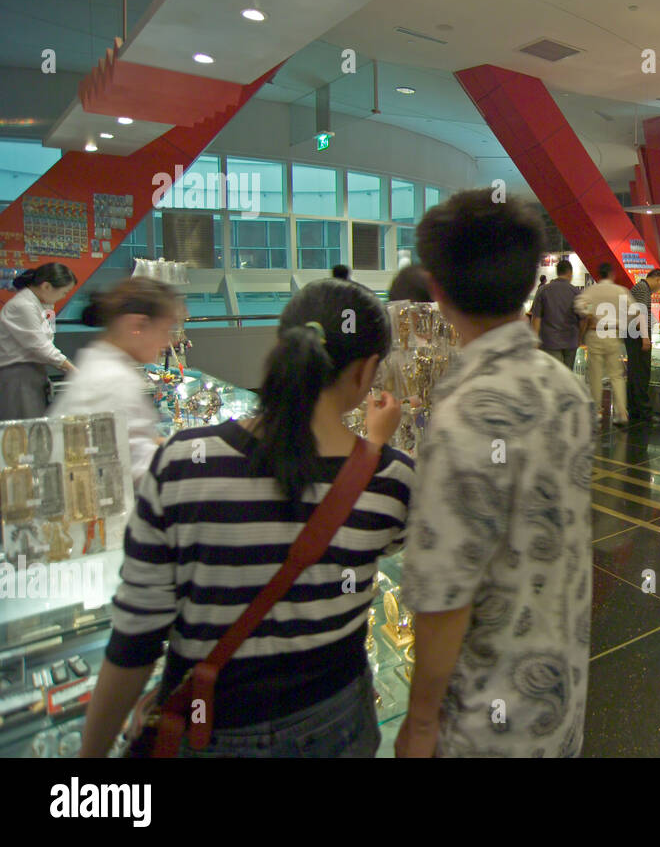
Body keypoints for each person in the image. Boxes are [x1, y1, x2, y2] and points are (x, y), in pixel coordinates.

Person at [79, 278, 412, 758]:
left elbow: (136, 636)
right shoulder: (392, 480)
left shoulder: (179, 463)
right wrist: (375, 449)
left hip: (208, 722)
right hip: (336, 722)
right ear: (367, 373)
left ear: (279, 348)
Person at [398, 188, 592, 758]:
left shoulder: (464, 414)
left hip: (483, 725)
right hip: (560, 702)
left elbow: (444, 598)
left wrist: (419, 726)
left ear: (437, 290)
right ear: (531, 281)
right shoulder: (566, 388)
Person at [50, 278, 178, 489]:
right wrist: (198, 456)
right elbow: (140, 470)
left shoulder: (101, 362)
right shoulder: (114, 380)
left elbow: (125, 443)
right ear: (137, 326)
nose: (168, 342)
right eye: (165, 330)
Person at [0, 263, 78, 420]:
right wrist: (72, 369)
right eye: (64, 292)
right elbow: (40, 346)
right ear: (47, 286)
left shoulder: (47, 305)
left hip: (35, 372)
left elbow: (48, 340)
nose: (64, 296)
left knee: (36, 425)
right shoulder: (22, 306)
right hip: (17, 375)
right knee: (24, 429)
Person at [575, 262, 631, 425]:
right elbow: (634, 309)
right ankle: (621, 413)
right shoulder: (620, 291)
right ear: (612, 274)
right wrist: (621, 322)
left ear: (599, 274)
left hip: (595, 333)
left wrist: (590, 315)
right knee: (616, 376)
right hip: (613, 334)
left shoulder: (591, 290)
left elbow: (579, 307)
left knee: (595, 375)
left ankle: (596, 412)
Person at [626, 267, 660, 424]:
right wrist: (645, 337)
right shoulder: (643, 289)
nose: (659, 288)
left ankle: (634, 409)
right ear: (658, 279)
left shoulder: (639, 288)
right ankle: (644, 411)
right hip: (637, 335)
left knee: (634, 373)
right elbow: (641, 313)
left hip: (632, 334)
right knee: (642, 373)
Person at [529, 259, 583, 368]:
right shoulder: (576, 292)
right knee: (567, 375)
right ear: (570, 273)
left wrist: (534, 342)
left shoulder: (543, 290)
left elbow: (536, 319)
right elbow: (582, 319)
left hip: (550, 342)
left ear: (557, 272)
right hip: (570, 341)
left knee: (554, 376)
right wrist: (579, 338)